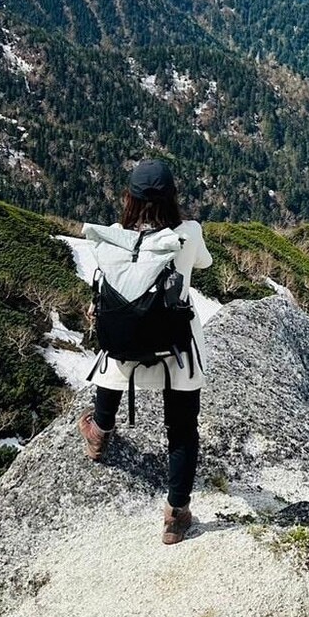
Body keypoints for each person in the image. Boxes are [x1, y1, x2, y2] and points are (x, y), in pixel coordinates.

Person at [77, 158, 213, 545]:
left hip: (126, 351)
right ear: (172, 198)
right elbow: (203, 262)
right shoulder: (188, 232)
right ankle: (175, 514)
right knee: (183, 429)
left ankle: (99, 432)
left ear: (129, 198)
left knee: (115, 354)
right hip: (175, 350)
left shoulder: (115, 238)